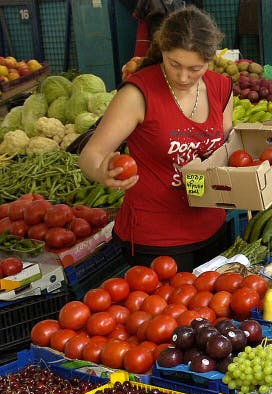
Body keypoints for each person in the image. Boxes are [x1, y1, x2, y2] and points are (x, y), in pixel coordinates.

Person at [78, 5, 233, 272]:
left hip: (213, 227)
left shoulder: (221, 87)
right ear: (161, 50)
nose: (183, 77)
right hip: (157, 240)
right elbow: (90, 155)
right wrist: (102, 171)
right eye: (174, 64)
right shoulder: (138, 93)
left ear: (210, 60)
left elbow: (227, 142)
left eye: (195, 68)